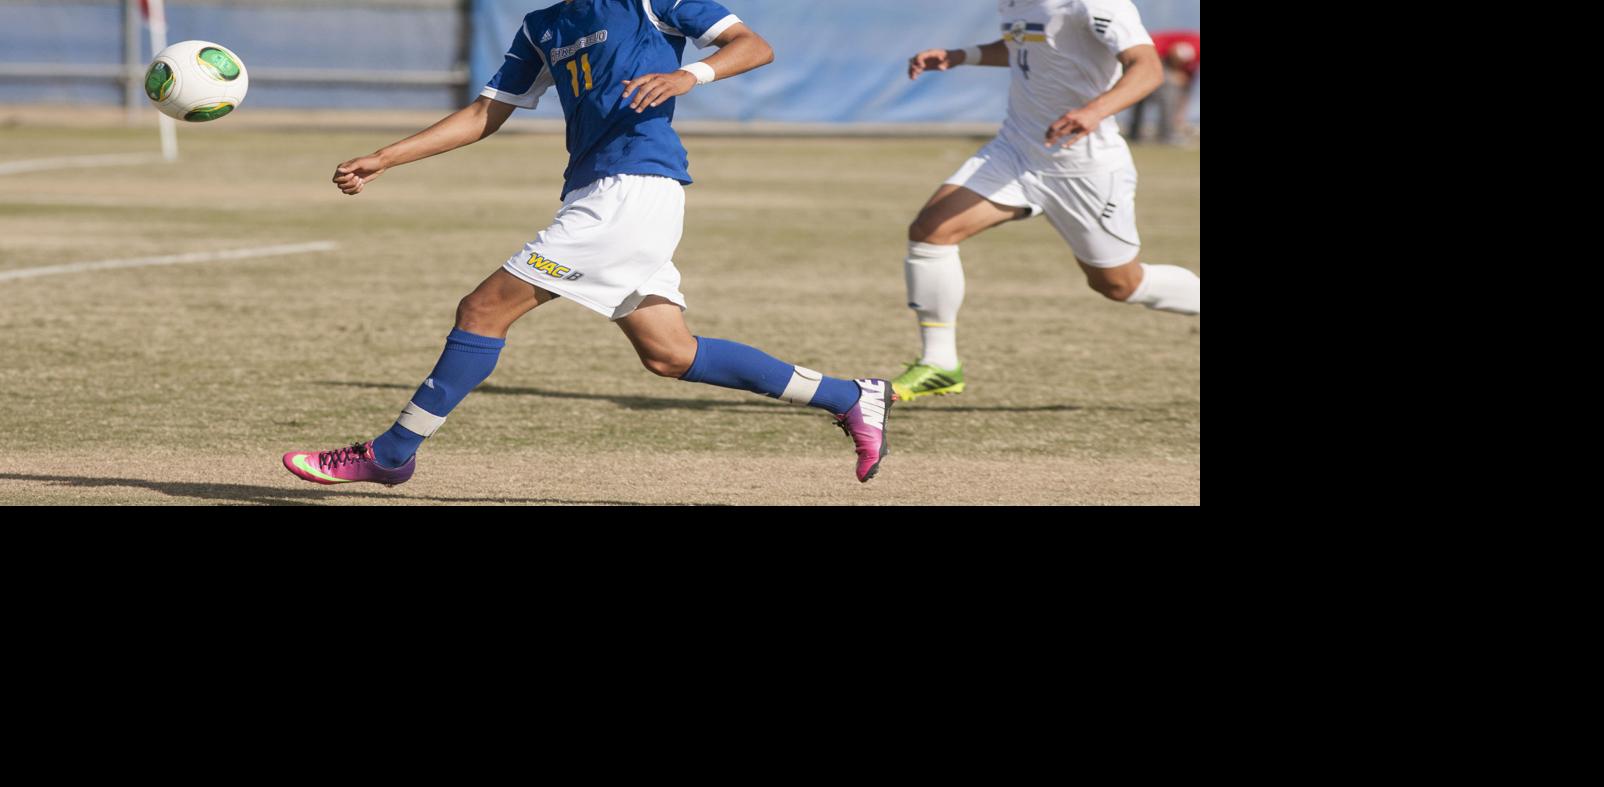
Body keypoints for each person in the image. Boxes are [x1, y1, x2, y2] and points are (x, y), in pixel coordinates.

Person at [282, 0, 895, 487]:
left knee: (483, 309)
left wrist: (687, 74)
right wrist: (384, 157)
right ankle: (849, 396)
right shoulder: (541, 25)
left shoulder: (651, 2)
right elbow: (485, 113)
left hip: (632, 188)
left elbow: (753, 46)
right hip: (599, 194)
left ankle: (391, 454)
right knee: (670, 354)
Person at [894, 0, 1200, 402]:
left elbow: (1148, 67)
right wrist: (960, 55)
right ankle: (940, 364)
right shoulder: (1015, 3)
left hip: (1084, 165)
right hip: (1016, 150)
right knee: (931, 232)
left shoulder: (1095, 3)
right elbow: (1024, 47)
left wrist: (1094, 111)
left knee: (1120, 284)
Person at [1127, 30, 1199, 144]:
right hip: (1145, 62)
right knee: (1144, 95)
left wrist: (1181, 111)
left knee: (1170, 93)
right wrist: (1171, 75)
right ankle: (1136, 133)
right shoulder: (1157, 45)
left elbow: (1187, 85)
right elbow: (1144, 60)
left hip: (1163, 66)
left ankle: (1166, 134)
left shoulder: (1196, 52)